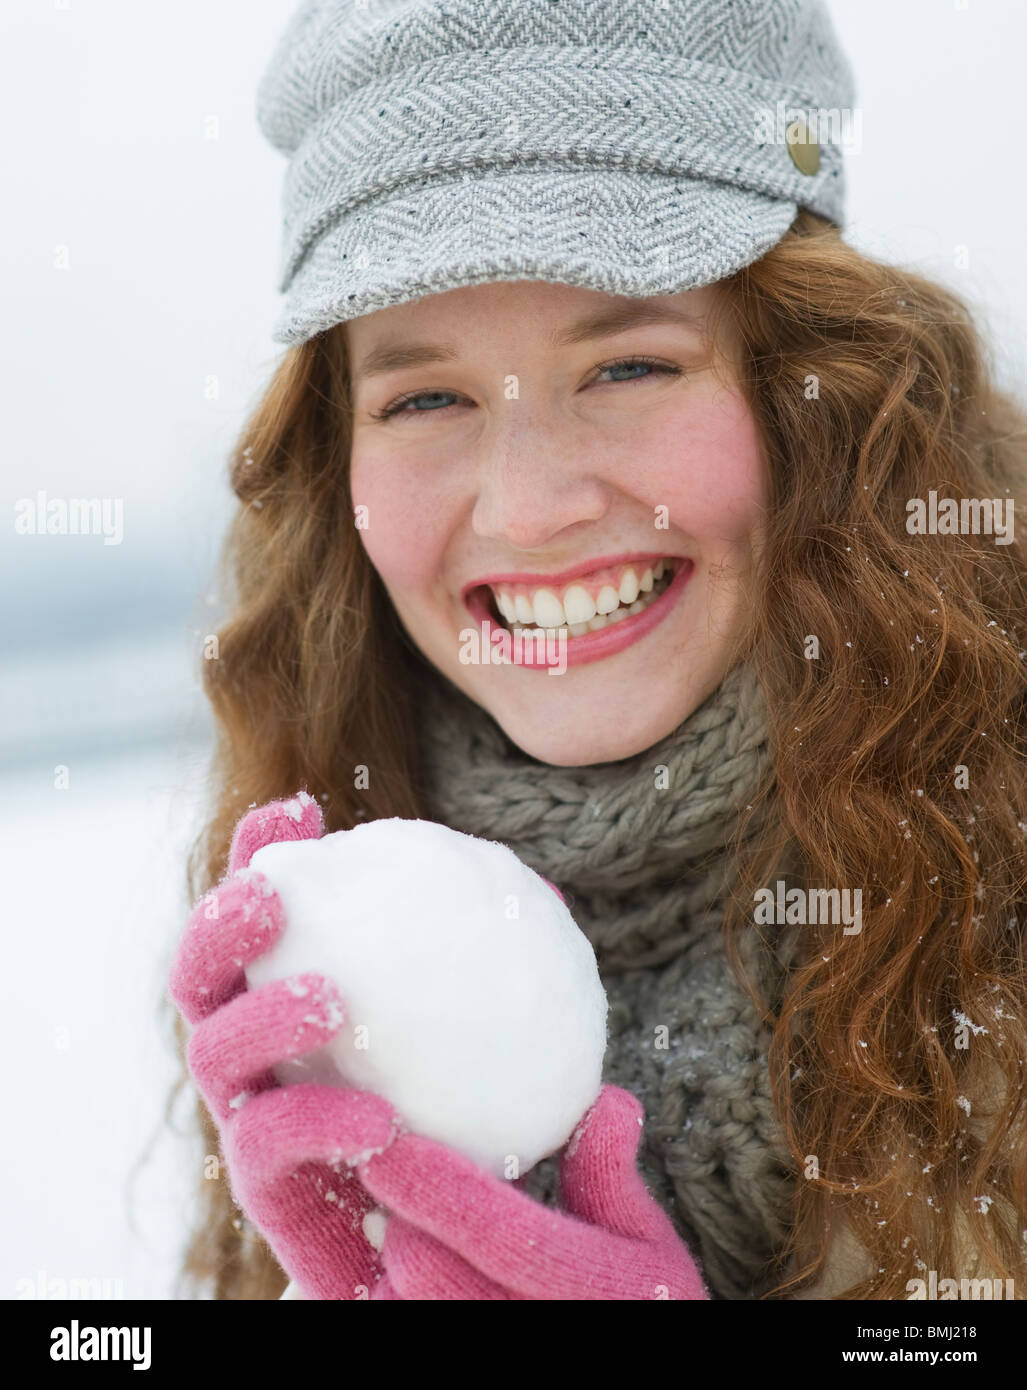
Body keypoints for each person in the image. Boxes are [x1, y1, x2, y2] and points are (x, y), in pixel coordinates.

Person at [167, 0, 1027, 1300]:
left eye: (628, 366)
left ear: (819, 393)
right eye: (426, 396)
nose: (525, 508)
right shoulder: (321, 954)